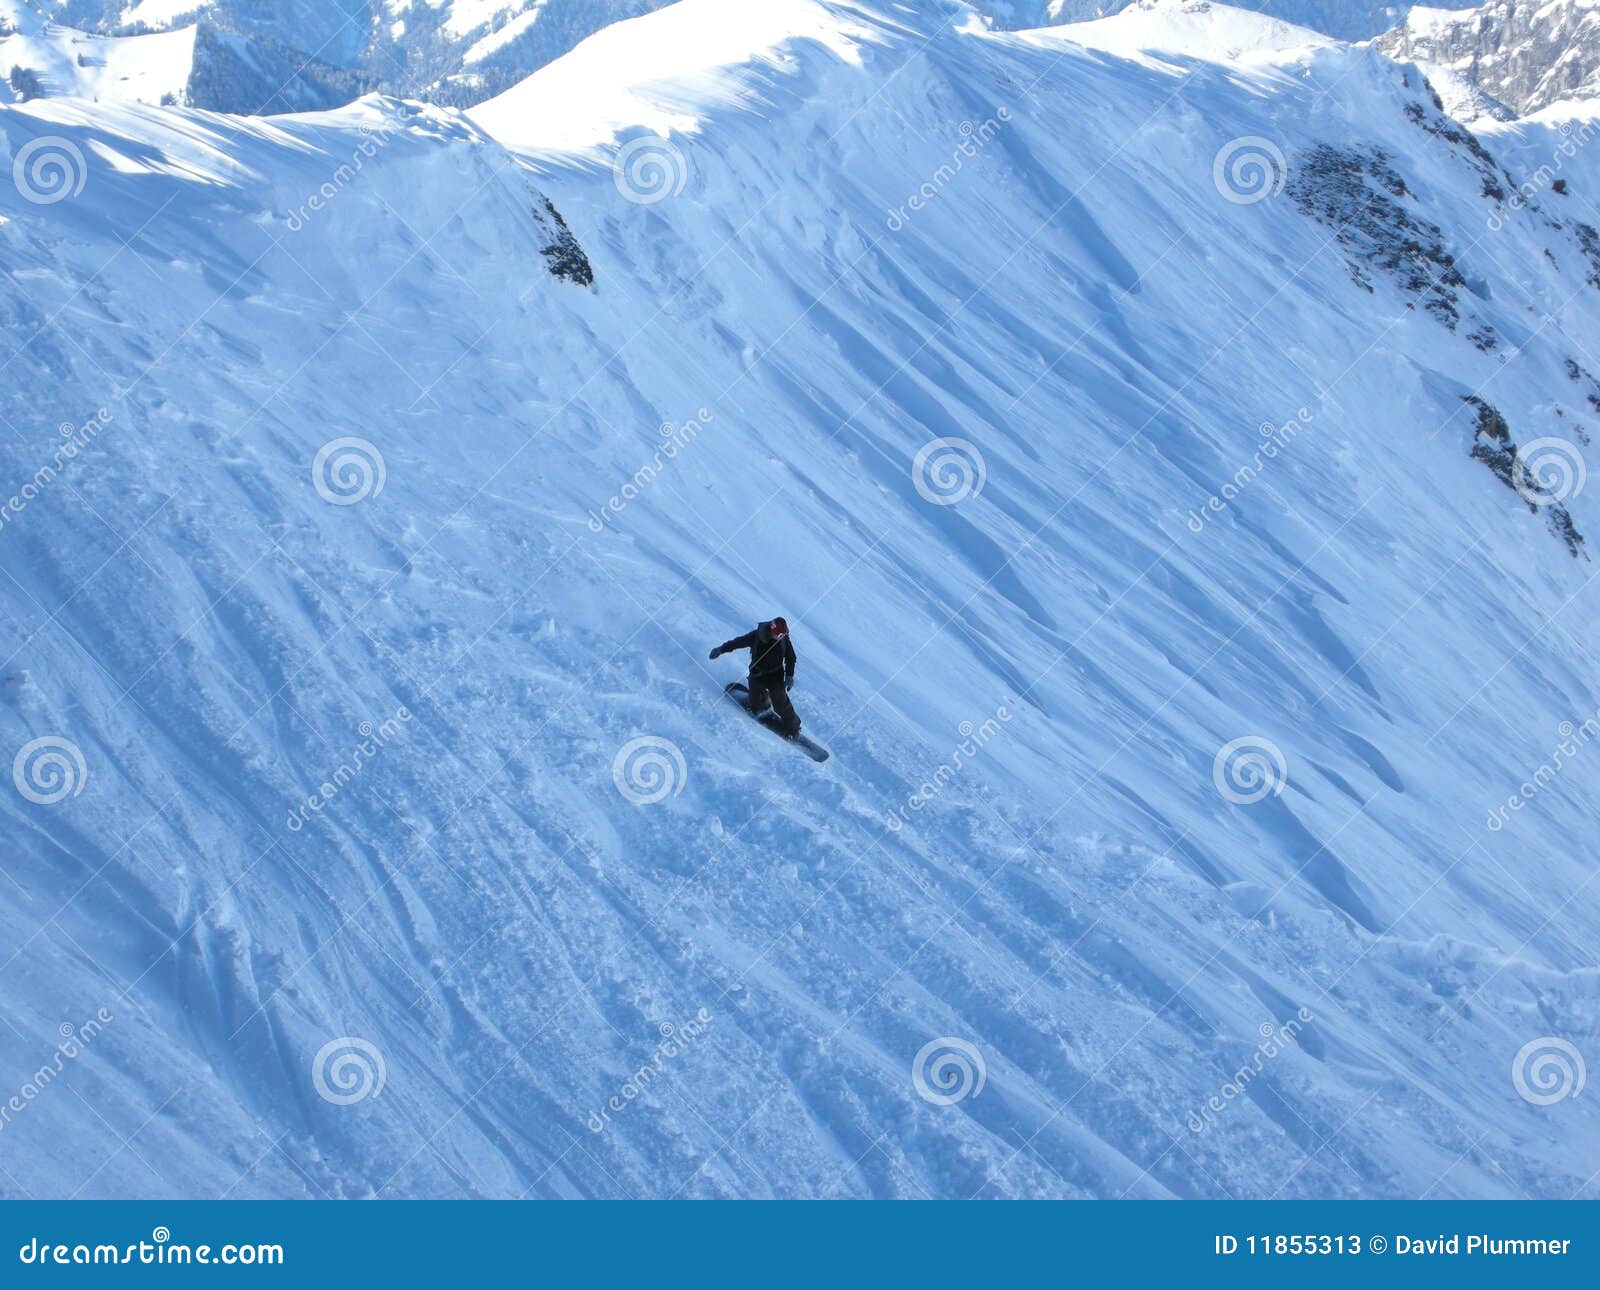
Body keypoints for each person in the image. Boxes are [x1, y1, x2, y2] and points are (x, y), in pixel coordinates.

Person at [710, 616, 800, 735]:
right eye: (778, 634)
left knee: (780, 701)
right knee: (755, 702)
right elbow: (738, 642)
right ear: (772, 630)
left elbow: (791, 658)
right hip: (757, 674)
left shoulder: (783, 639)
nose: (780, 637)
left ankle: (793, 728)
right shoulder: (756, 636)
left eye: (782, 635)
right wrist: (721, 649)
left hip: (775, 675)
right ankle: (762, 704)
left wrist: (789, 676)